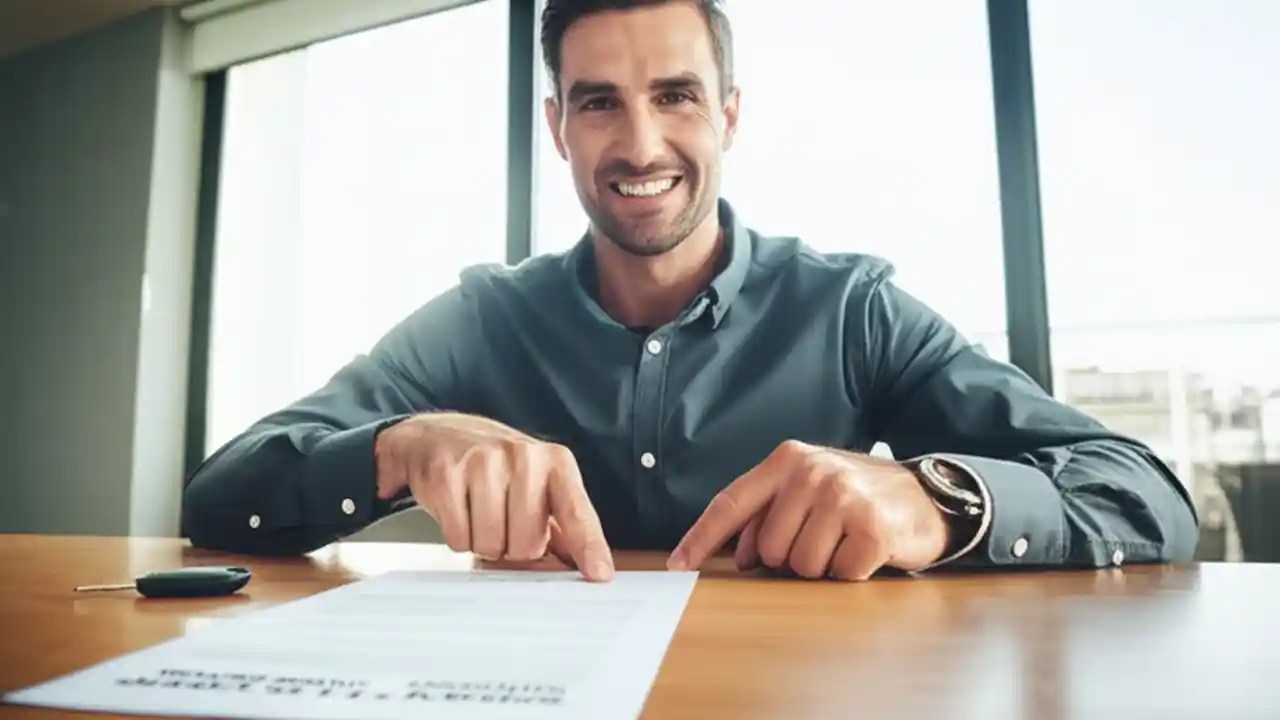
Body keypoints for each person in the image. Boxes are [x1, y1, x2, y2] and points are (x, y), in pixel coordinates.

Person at [183, 0, 1197, 582]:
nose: (637, 146)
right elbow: (221, 496)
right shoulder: (478, 319)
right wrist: (394, 445)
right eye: (597, 105)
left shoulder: (851, 310)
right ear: (556, 128)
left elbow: (1141, 491)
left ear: (727, 117)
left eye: (673, 96)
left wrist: (939, 500)